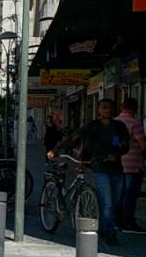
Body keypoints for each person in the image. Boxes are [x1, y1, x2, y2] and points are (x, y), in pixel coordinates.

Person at [48, 98, 129, 244]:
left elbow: (125, 146)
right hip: (99, 168)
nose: (107, 110)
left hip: (117, 169)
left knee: (115, 202)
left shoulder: (119, 126)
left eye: (110, 107)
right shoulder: (92, 126)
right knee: (108, 202)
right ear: (98, 110)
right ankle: (109, 233)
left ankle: (106, 226)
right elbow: (73, 137)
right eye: (104, 107)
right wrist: (56, 149)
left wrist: (116, 155)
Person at [115, 97, 146, 233]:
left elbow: (114, 143)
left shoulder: (115, 122)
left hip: (118, 163)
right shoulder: (135, 122)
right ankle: (129, 222)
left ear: (122, 107)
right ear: (136, 108)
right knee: (131, 195)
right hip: (133, 164)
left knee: (120, 194)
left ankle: (117, 221)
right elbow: (142, 143)